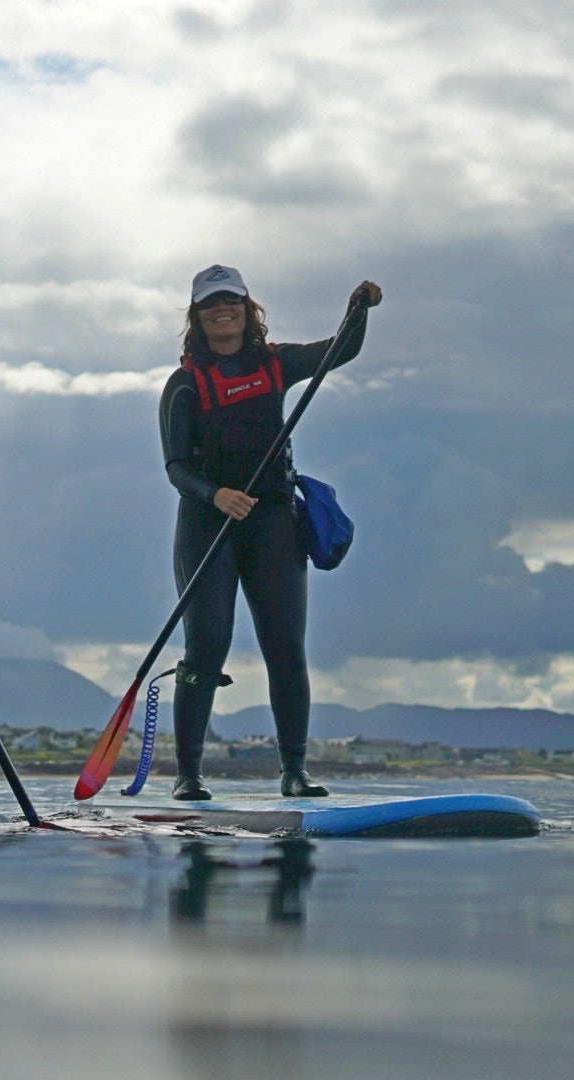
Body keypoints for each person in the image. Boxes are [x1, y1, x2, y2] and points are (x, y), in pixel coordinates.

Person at [158, 265, 381, 800]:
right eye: (211, 304)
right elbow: (175, 466)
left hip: (273, 522)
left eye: (231, 300)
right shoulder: (185, 383)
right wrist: (216, 495)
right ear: (197, 316)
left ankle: (294, 771)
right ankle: (189, 774)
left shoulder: (275, 363)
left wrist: (358, 310)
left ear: (246, 307)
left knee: (284, 646)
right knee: (207, 645)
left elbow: (339, 351)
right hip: (208, 522)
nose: (222, 310)